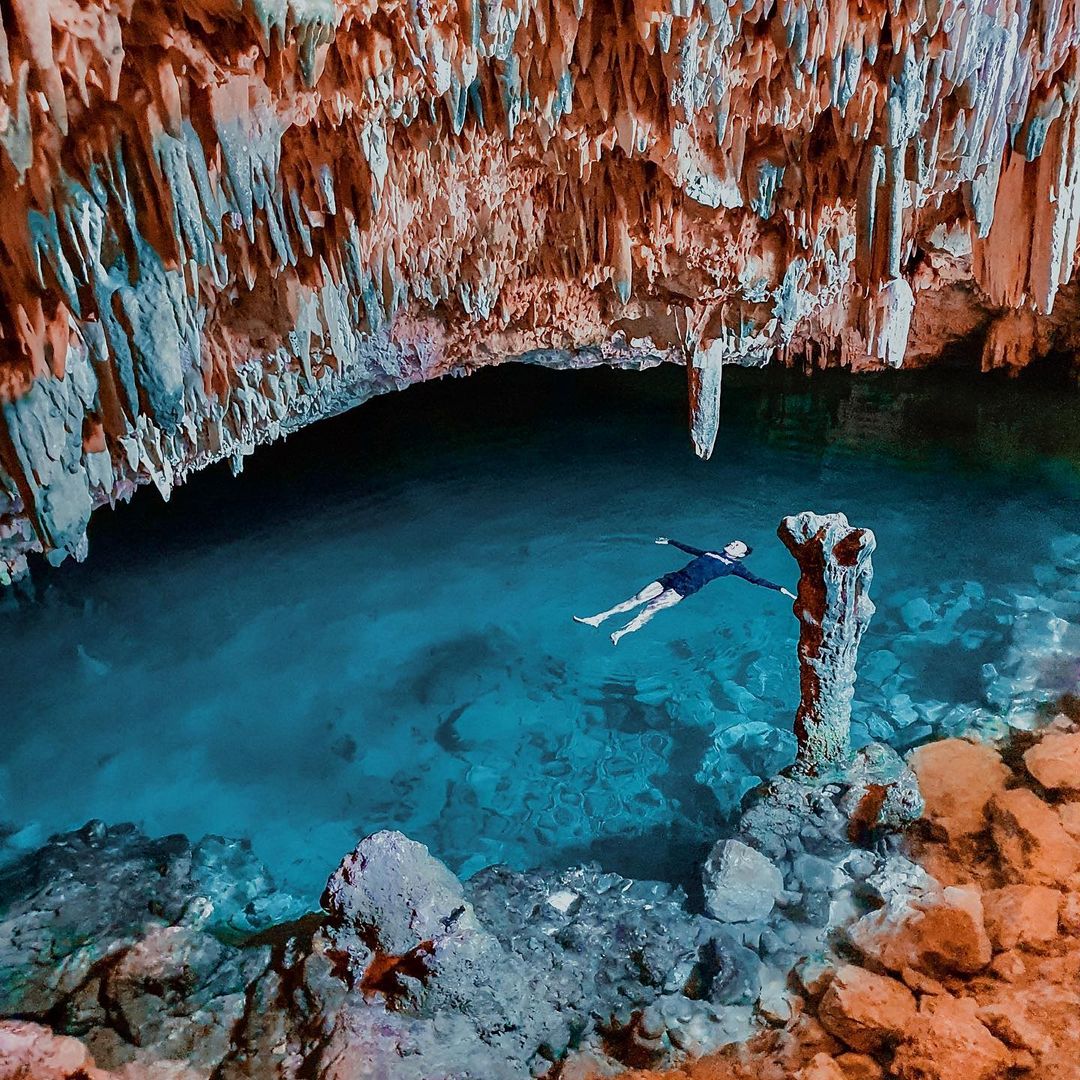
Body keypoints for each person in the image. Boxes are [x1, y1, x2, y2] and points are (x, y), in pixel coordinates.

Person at [574, 536, 796, 645]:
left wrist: (780, 588)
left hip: (683, 590)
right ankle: (598, 618)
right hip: (673, 577)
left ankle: (621, 633)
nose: (733, 543)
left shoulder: (734, 567)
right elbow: (690, 549)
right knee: (637, 598)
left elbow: (756, 580)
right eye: (733, 542)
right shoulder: (710, 553)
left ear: (741, 555)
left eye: (738, 545)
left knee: (649, 609)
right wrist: (671, 541)